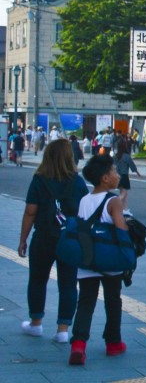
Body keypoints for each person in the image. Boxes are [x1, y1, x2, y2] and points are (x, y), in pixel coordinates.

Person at [19, 138, 88, 344]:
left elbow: (30, 212)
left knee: (37, 279)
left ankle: (36, 323)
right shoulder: (77, 181)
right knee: (68, 284)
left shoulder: (39, 179)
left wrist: (23, 239)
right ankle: (63, 330)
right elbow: (84, 213)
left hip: (43, 238)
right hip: (69, 239)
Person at [68, 154, 130, 366]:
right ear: (105, 178)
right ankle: (113, 343)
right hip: (109, 260)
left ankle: (78, 344)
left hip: (87, 258)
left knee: (85, 301)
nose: (117, 174)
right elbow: (121, 230)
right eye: (114, 171)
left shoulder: (85, 199)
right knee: (113, 301)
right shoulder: (113, 201)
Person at [114, 138, 139, 211]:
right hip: (124, 176)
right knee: (123, 194)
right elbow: (132, 165)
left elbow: (114, 166)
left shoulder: (117, 155)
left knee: (124, 193)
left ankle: (124, 208)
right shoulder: (126, 156)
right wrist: (137, 172)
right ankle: (115, 205)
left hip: (118, 176)